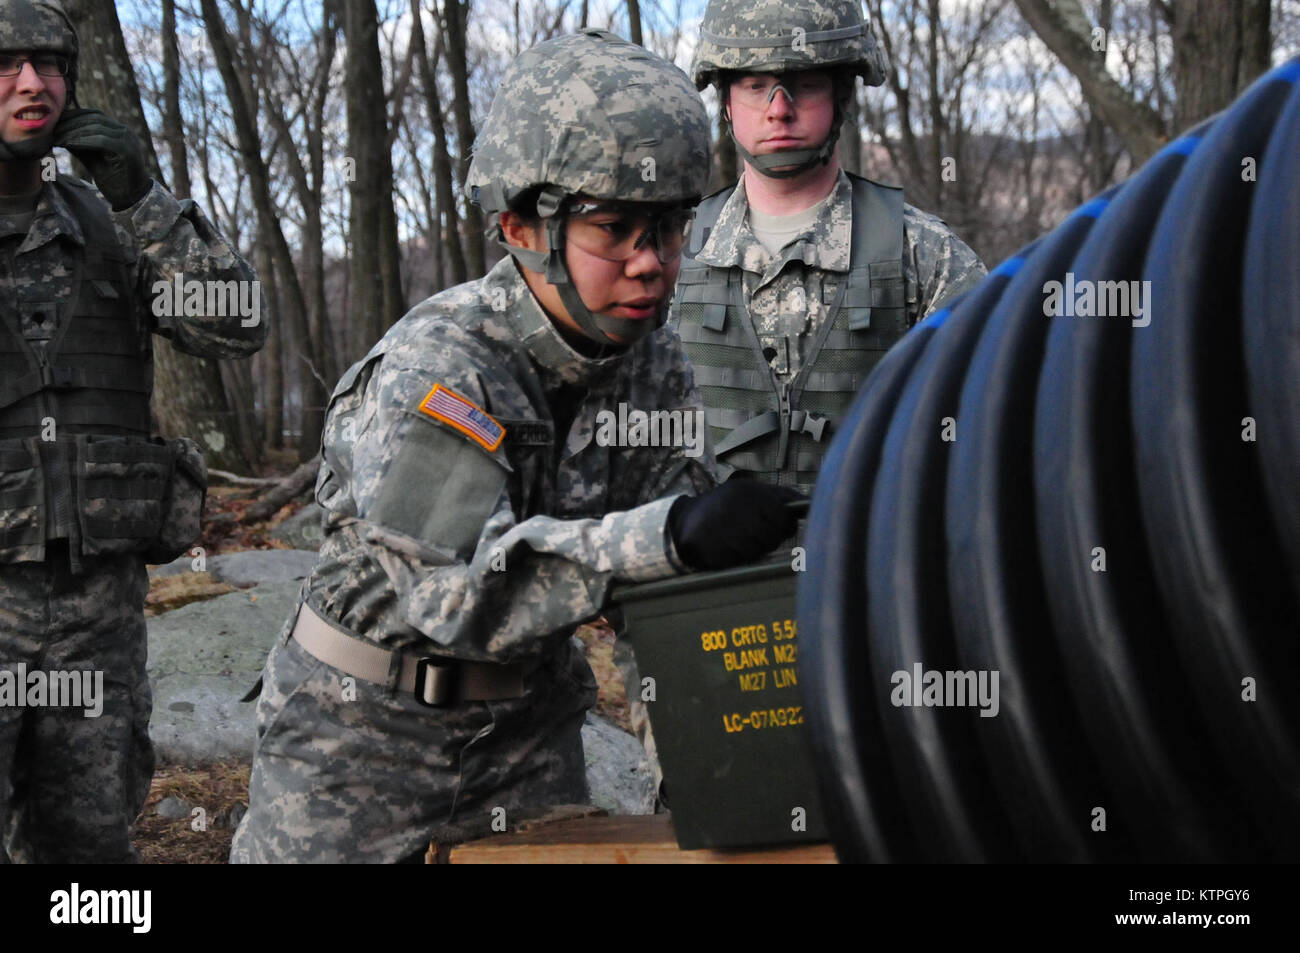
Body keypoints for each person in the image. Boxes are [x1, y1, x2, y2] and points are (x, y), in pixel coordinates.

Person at [230, 29, 800, 864]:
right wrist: (669, 534)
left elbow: (667, 616)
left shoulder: (656, 367)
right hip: (355, 751)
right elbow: (458, 597)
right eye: (616, 230)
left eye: (670, 230)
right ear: (521, 227)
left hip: (529, 746)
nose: (652, 264)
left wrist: (716, 797)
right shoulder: (442, 366)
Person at [0, 0, 266, 862]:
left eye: (48, 64)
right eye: (5, 64)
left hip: (95, 622)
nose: (31, 83)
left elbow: (235, 320)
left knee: (90, 852)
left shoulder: (111, 227)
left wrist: (143, 199)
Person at [675, 0, 989, 491]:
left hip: (865, 560)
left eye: (804, 84)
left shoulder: (924, 255)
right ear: (728, 101)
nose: (779, 108)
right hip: (710, 568)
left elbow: (981, 437)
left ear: (841, 93)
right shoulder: (670, 256)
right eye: (756, 86)